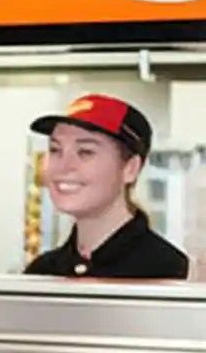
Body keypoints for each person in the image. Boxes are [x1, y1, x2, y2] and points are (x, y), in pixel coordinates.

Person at [25, 94, 188, 279]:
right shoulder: (42, 272)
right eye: (55, 150)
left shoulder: (169, 272)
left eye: (85, 152)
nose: (64, 166)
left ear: (130, 168)